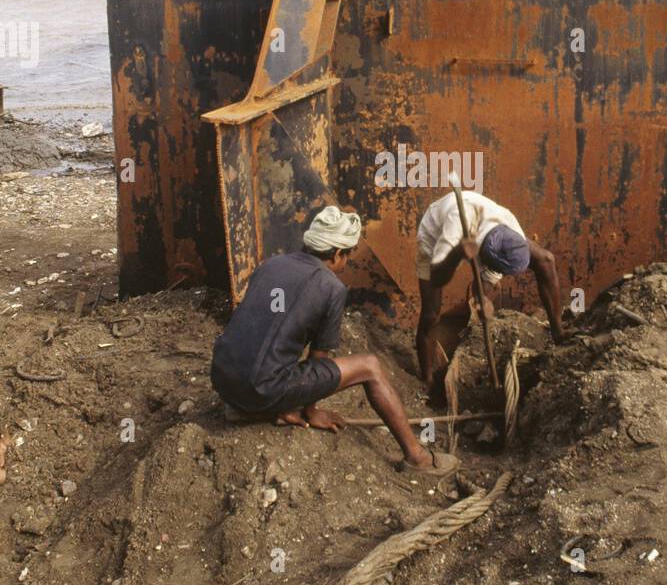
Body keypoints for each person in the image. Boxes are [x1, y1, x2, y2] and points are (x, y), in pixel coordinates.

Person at [211, 205, 458, 477]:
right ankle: (417, 458)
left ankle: (250, 408)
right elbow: (319, 359)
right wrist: (311, 411)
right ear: (338, 254)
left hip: (223, 379)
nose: (345, 264)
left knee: (271, 366)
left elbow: (256, 323)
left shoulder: (271, 264)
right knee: (370, 366)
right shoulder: (331, 287)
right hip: (261, 387)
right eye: (347, 257)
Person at [416, 190, 564, 384]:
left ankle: (559, 332)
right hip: (437, 240)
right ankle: (427, 379)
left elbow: (491, 277)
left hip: (481, 232)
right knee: (431, 314)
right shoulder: (454, 227)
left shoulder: (510, 229)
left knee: (545, 260)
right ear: (484, 259)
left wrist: (482, 301)